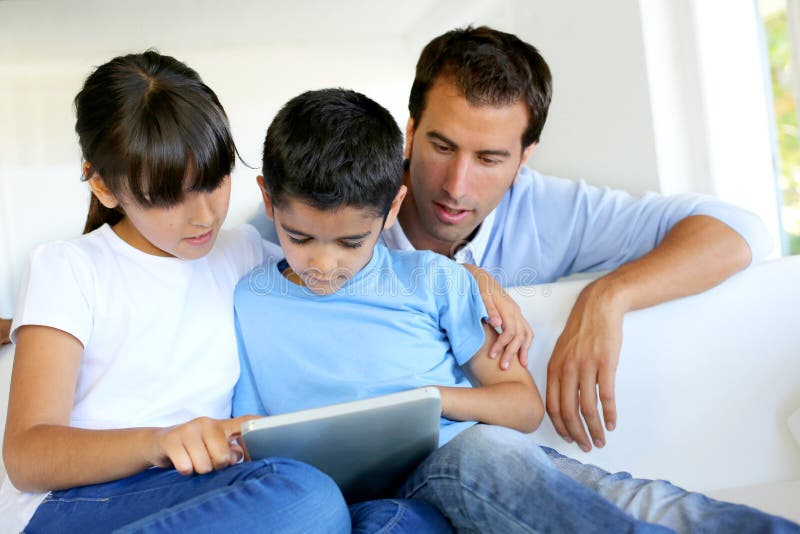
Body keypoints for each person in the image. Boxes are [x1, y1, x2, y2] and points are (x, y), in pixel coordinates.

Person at [233, 87, 798, 533]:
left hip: (464, 458)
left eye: (352, 243)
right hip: (347, 498)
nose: (324, 264)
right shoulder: (243, 296)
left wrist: (424, 404)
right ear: (267, 202)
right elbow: (249, 438)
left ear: (392, 207)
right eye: (299, 237)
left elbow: (523, 408)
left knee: (628, 497)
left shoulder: (435, 280)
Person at [0, 51, 434, 534]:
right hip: (77, 503)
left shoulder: (244, 251)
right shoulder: (69, 266)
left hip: (207, 491)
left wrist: (477, 283)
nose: (204, 215)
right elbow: (27, 456)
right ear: (103, 185)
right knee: (304, 497)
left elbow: (344, 262)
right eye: (167, 196)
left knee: (408, 517)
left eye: (214, 181)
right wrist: (160, 443)